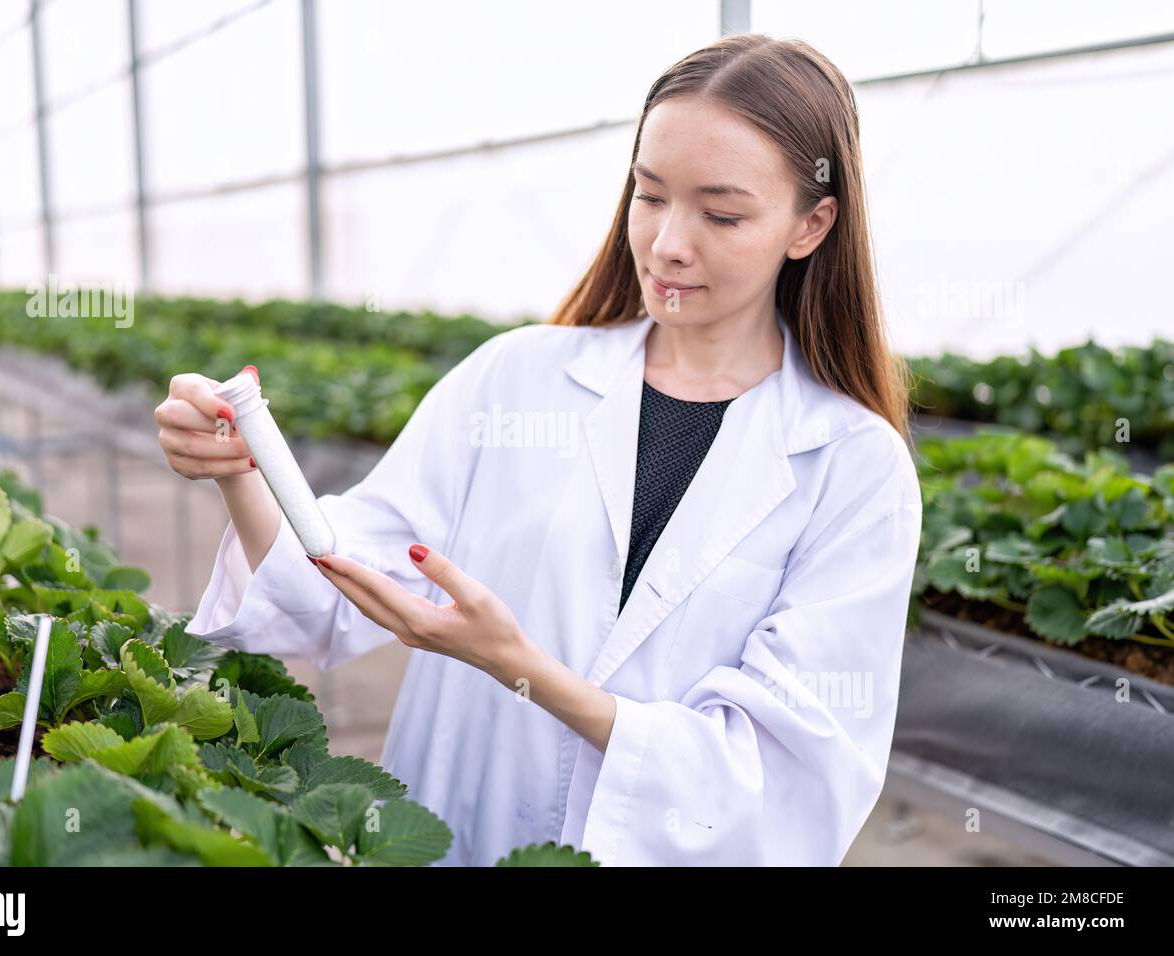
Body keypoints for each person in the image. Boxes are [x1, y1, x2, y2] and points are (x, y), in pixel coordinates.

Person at [157, 33, 923, 866]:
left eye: (722, 213)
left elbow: (785, 776)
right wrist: (244, 470)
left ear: (811, 224)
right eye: (650, 194)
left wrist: (519, 666)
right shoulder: (518, 378)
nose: (669, 242)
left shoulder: (853, 468)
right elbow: (339, 591)